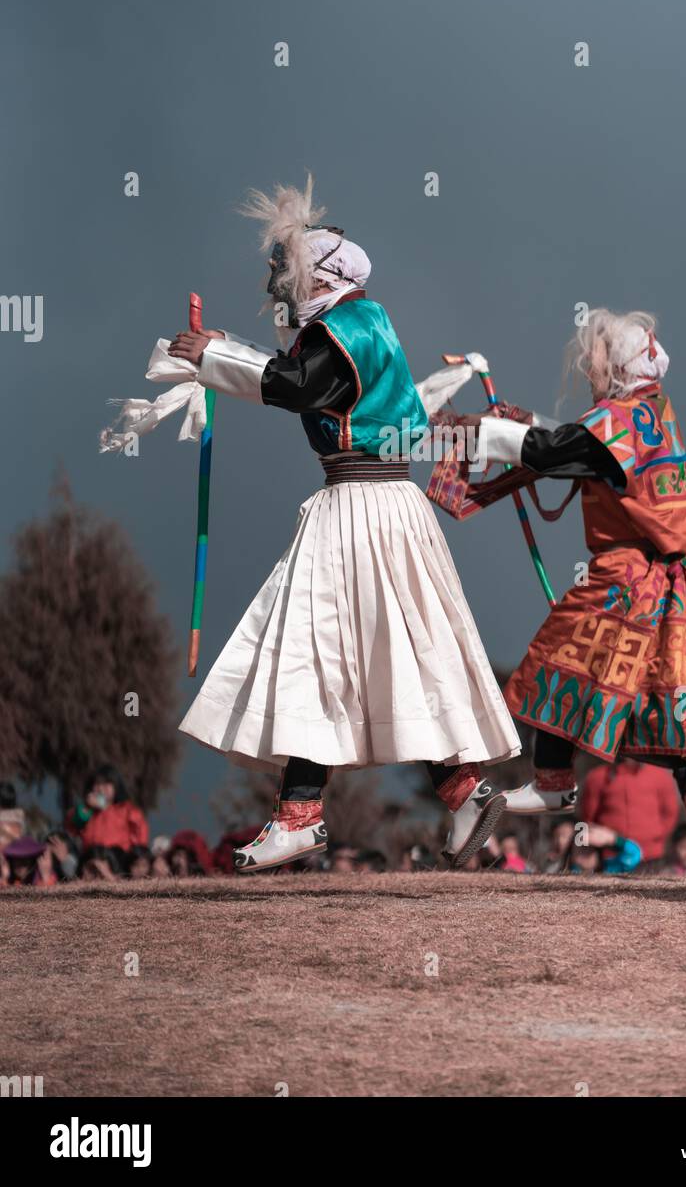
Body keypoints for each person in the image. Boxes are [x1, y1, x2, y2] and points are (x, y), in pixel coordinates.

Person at [166, 178, 520, 870]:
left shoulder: (341, 330)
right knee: (389, 653)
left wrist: (212, 357)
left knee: (315, 645)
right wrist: (220, 358)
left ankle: (304, 816)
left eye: (286, 274)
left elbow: (296, 385)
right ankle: (460, 791)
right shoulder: (371, 320)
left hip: (358, 506)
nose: (279, 289)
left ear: (319, 275)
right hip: (390, 507)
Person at [470, 309, 686, 870]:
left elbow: (550, 451)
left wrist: (485, 432)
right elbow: (578, 450)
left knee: (556, 660)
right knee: (664, 697)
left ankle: (554, 780)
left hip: (626, 582)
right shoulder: (657, 412)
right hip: (679, 582)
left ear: (614, 366)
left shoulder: (611, 422)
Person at [579, 758, 680, 869]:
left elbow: (670, 813)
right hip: (611, 857)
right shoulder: (597, 776)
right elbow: (588, 816)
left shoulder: (660, 775)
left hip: (650, 856)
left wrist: (653, 837)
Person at [65, 766, 149, 857]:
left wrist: (137, 858)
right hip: (91, 859)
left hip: (118, 860)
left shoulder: (127, 809)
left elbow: (141, 832)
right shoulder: (85, 809)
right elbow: (70, 827)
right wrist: (87, 807)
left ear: (116, 786)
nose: (101, 789)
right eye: (97, 784)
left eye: (106, 784)